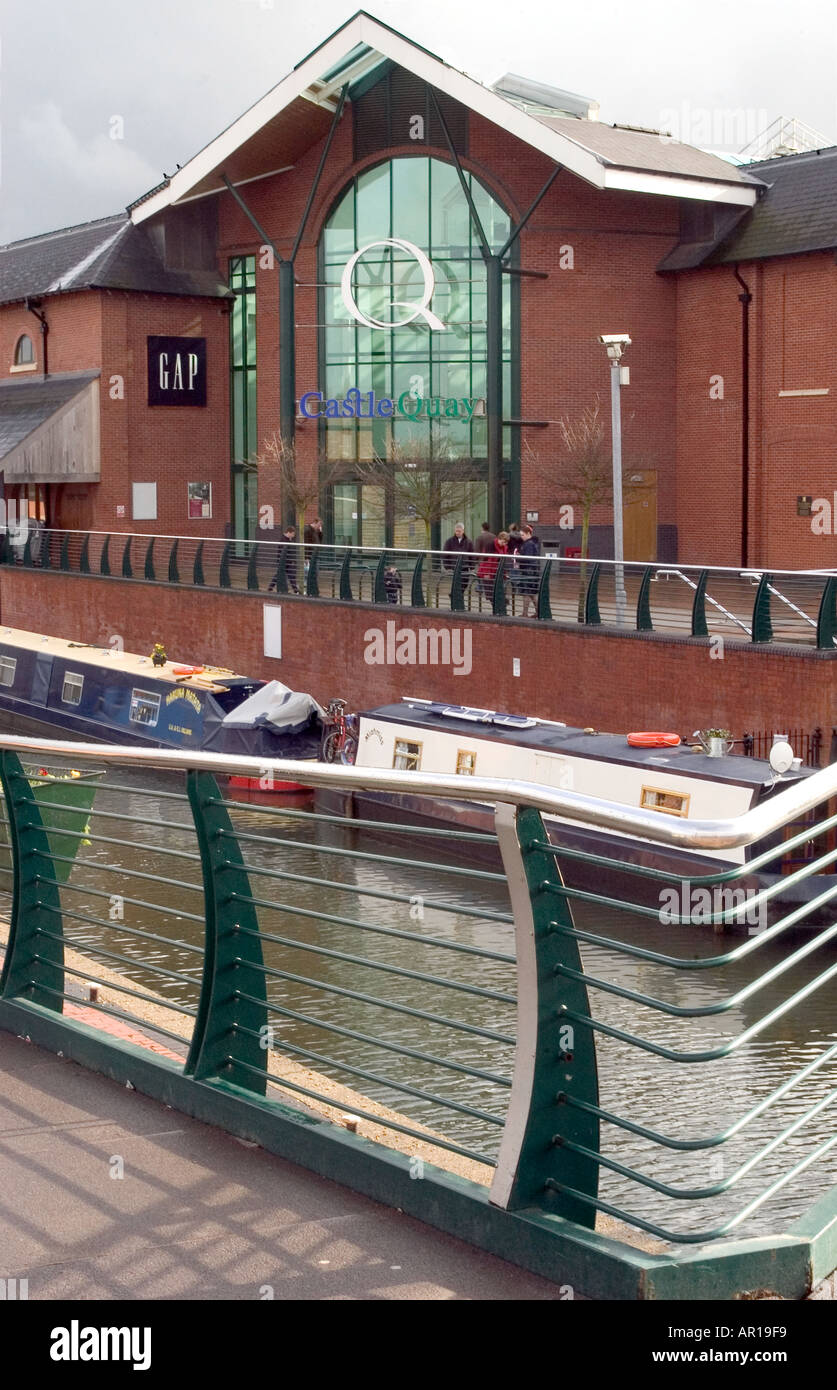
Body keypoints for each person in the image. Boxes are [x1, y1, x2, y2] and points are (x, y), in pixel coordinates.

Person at [517, 523, 542, 616]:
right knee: (531, 593)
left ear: (528, 533)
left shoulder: (529, 544)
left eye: (522, 535)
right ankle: (538, 612)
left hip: (528, 571)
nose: (521, 537)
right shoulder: (532, 543)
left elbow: (528, 558)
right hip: (532, 571)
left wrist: (518, 557)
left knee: (527, 592)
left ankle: (525, 613)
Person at [477, 531, 509, 599]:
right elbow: (487, 560)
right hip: (489, 572)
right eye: (503, 542)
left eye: (505, 543)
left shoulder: (504, 547)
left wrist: (505, 573)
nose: (504, 544)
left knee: (496, 592)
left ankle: (499, 606)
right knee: (491, 593)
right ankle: (498, 606)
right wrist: (487, 573)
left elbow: (503, 561)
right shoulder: (491, 545)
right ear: (499, 538)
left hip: (496, 572)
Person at [268, 524, 299, 593]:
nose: (293, 536)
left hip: (288, 562)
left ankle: (295, 590)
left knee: (291, 576)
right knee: (279, 575)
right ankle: (270, 588)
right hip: (283, 562)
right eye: (293, 534)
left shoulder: (288, 540)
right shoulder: (283, 540)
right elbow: (283, 552)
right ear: (289, 532)